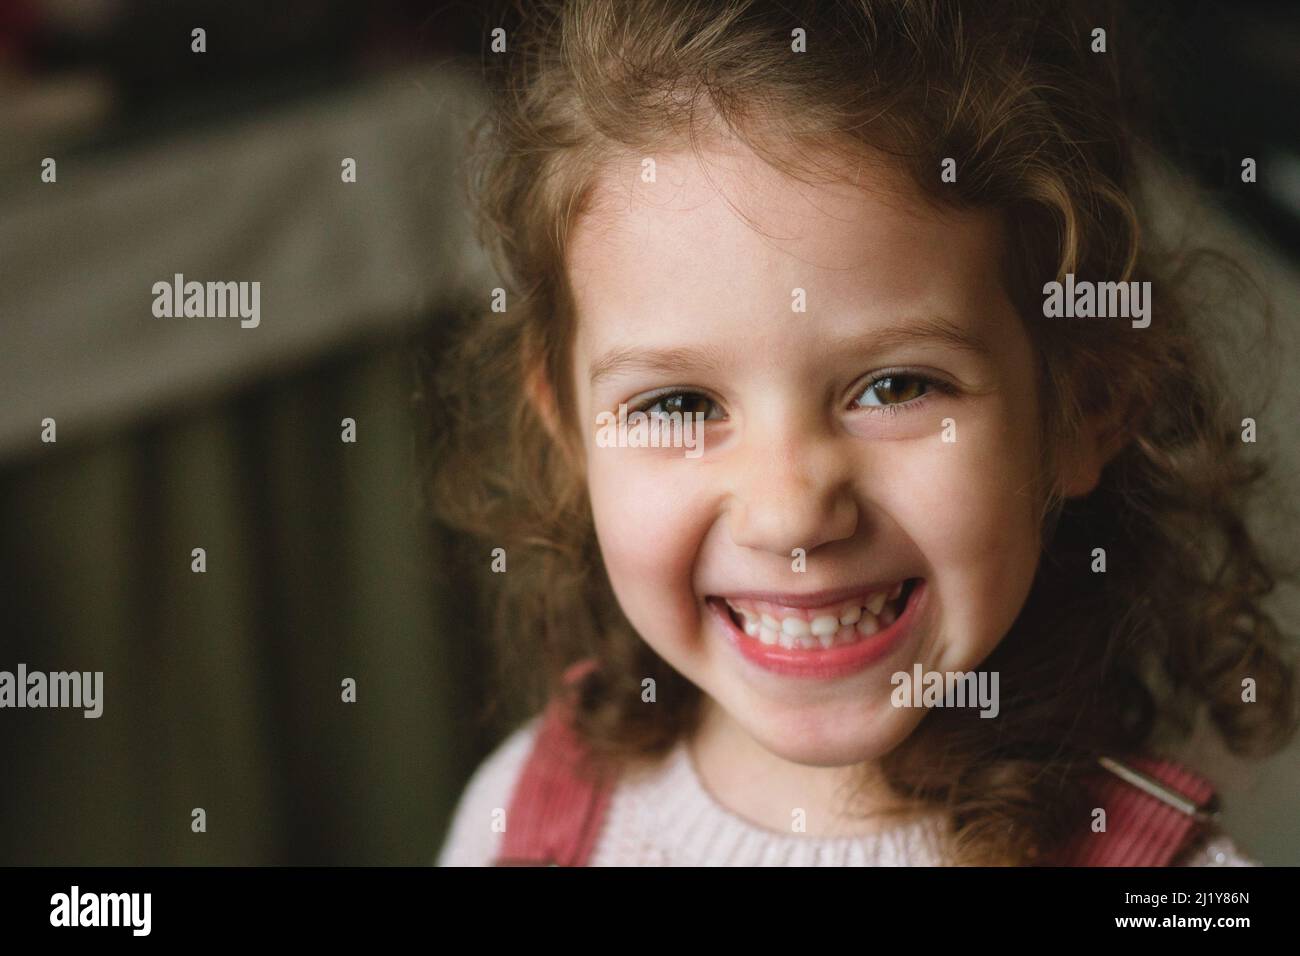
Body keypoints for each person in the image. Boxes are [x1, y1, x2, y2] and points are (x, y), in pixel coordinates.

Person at [430, 0, 1297, 866]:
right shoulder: (519, 812)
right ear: (572, 437)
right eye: (679, 406)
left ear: (1086, 408)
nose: (791, 515)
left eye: (896, 386)